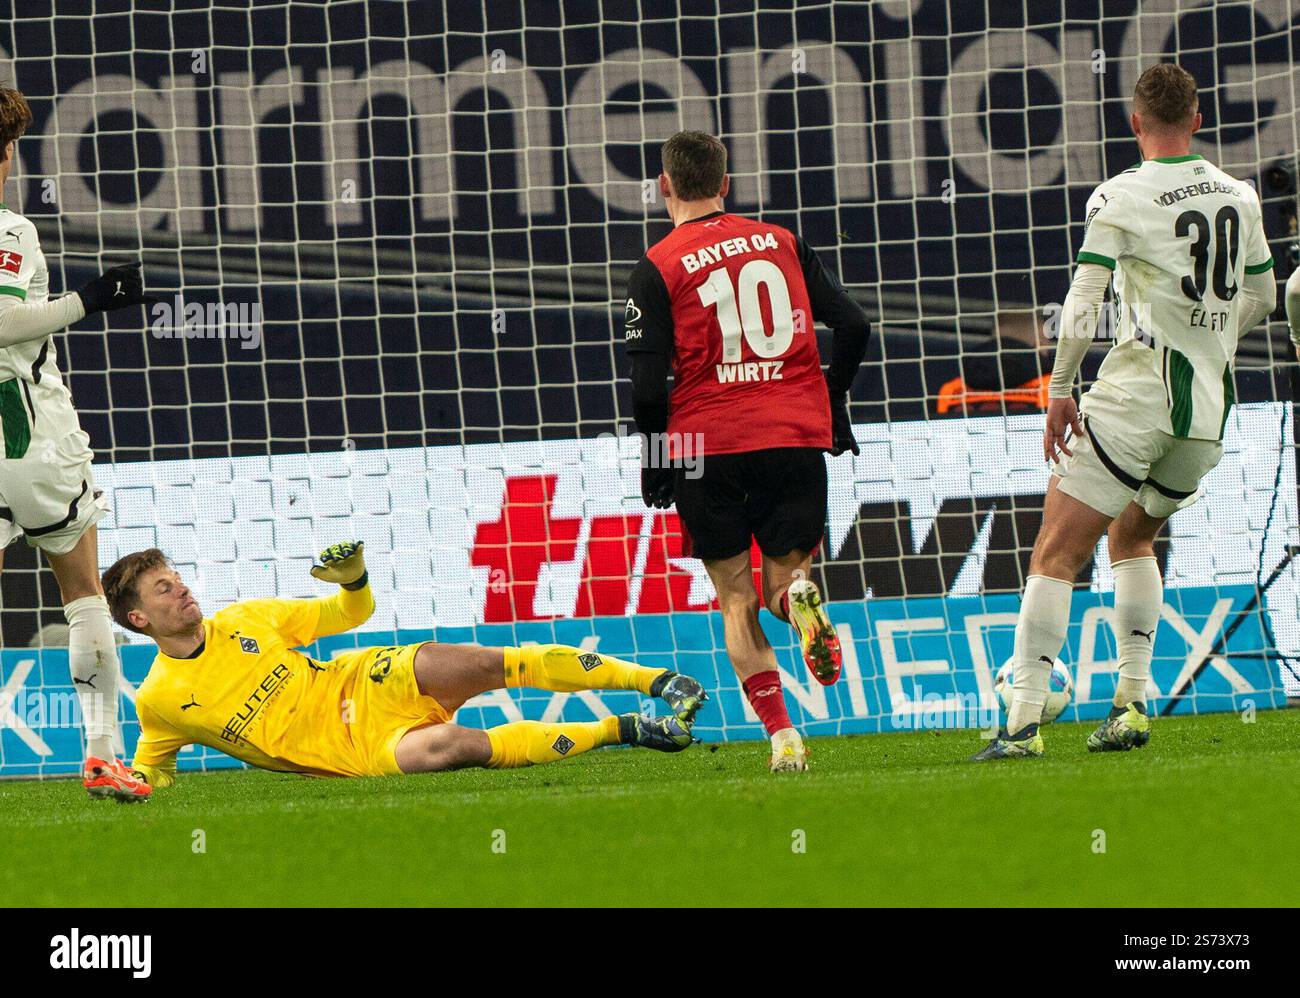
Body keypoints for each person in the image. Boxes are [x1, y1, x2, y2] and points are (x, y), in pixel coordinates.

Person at [974, 64, 1277, 760]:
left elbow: (1082, 303)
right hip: (1207, 413)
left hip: (1136, 399)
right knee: (1132, 539)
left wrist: (1057, 388)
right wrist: (1209, 329)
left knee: (1056, 551)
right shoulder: (1241, 196)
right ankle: (1132, 704)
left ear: (1135, 122)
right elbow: (1260, 297)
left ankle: (1021, 722)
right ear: (1198, 120)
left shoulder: (1121, 195)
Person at [624, 131, 871, 772]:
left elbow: (649, 388)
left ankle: (783, 736)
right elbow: (854, 324)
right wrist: (831, 402)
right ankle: (801, 604)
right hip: (791, 432)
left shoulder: (656, 266)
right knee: (783, 584)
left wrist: (658, 458)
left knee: (735, 595)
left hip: (707, 445)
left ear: (664, 186)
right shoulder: (781, 241)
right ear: (726, 184)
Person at [102, 542, 706, 785]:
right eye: (163, 589)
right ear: (139, 620)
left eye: (178, 579)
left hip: (365, 679)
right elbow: (152, 771)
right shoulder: (159, 699)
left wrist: (353, 579)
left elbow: (351, 611)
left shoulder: (246, 619)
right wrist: (130, 787)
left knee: (490, 662)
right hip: (354, 751)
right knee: (454, 746)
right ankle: (623, 730)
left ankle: (659, 681)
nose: (182, 590)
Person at [0, 84, 154, 799]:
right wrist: (89, 300)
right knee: (84, 593)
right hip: (30, 437)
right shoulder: (10, 231)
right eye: (7, 148)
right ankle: (101, 754)